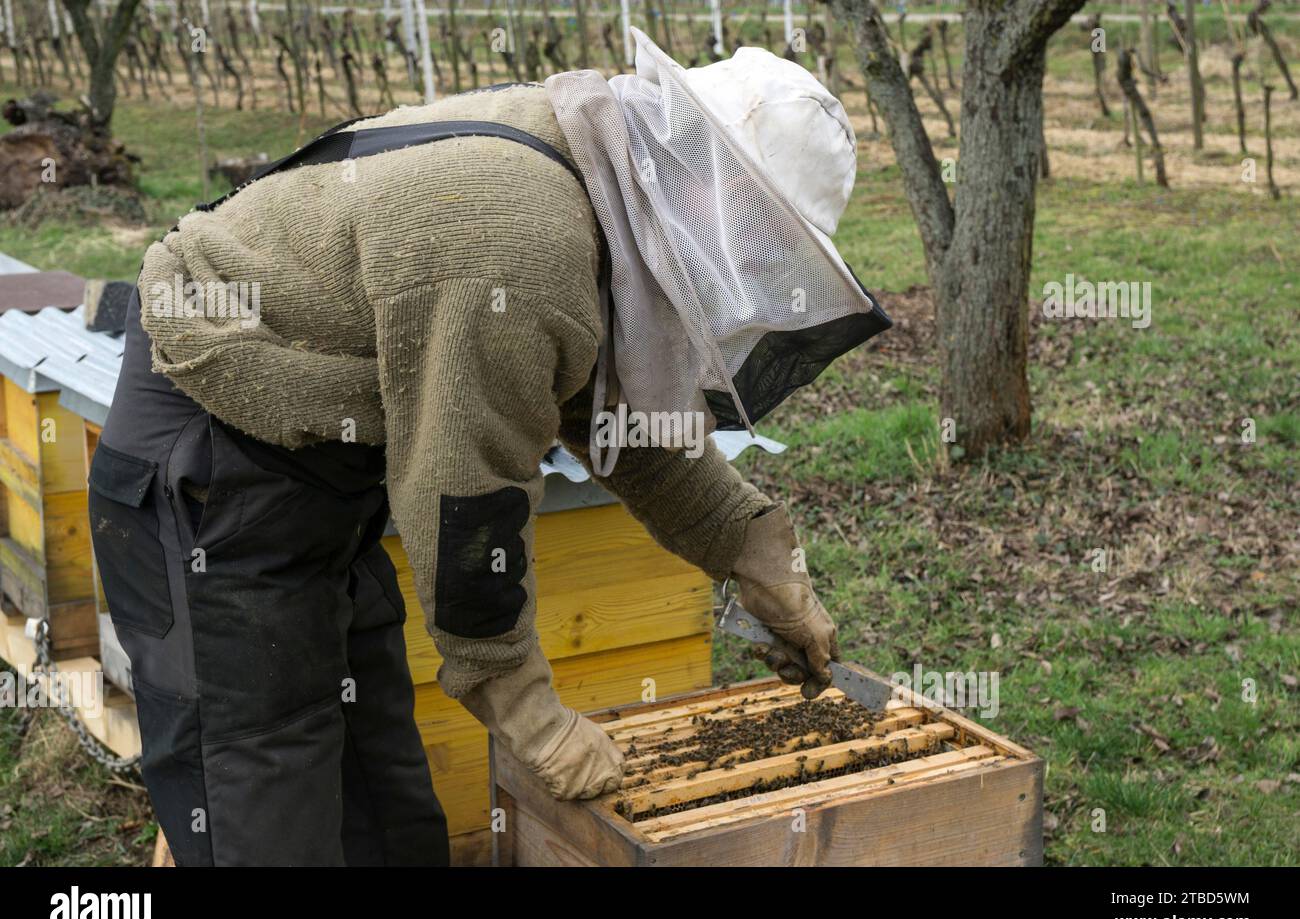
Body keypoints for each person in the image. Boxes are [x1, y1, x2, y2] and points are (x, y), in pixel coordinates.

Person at [87, 29, 889, 866]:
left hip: (326, 476)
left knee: (386, 816)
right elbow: (463, 500)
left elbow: (613, 413)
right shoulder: (521, 236)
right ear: (712, 192)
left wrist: (752, 545)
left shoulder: (591, 173)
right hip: (216, 459)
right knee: (266, 809)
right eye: (755, 246)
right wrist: (526, 711)